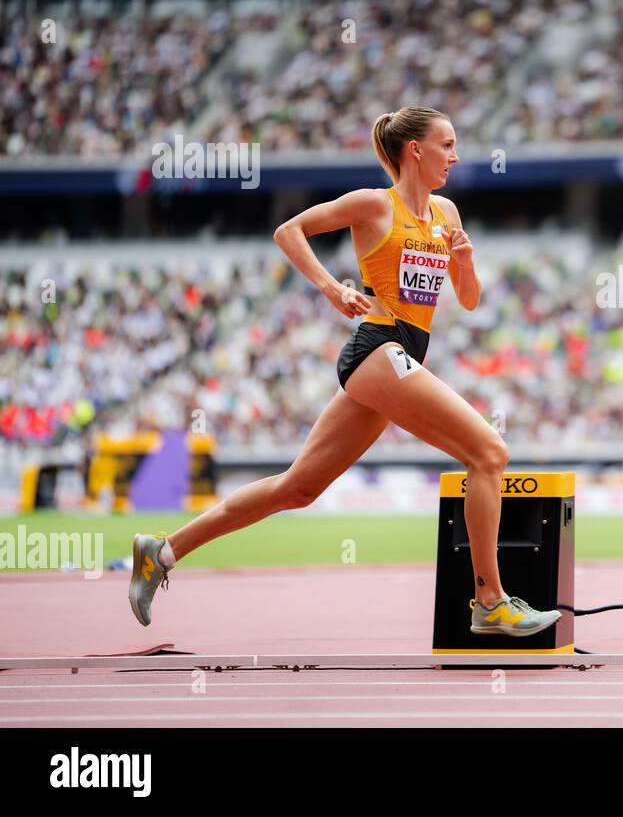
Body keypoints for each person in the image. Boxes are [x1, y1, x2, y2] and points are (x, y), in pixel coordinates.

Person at [127, 106, 560, 638]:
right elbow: (289, 231)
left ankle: (162, 552)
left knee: (298, 488)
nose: (456, 155)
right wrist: (331, 287)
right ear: (415, 151)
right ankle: (489, 601)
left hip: (404, 356)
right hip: (378, 347)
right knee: (489, 452)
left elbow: (468, 302)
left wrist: (464, 263)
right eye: (447, 144)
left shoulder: (447, 213)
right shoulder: (373, 205)